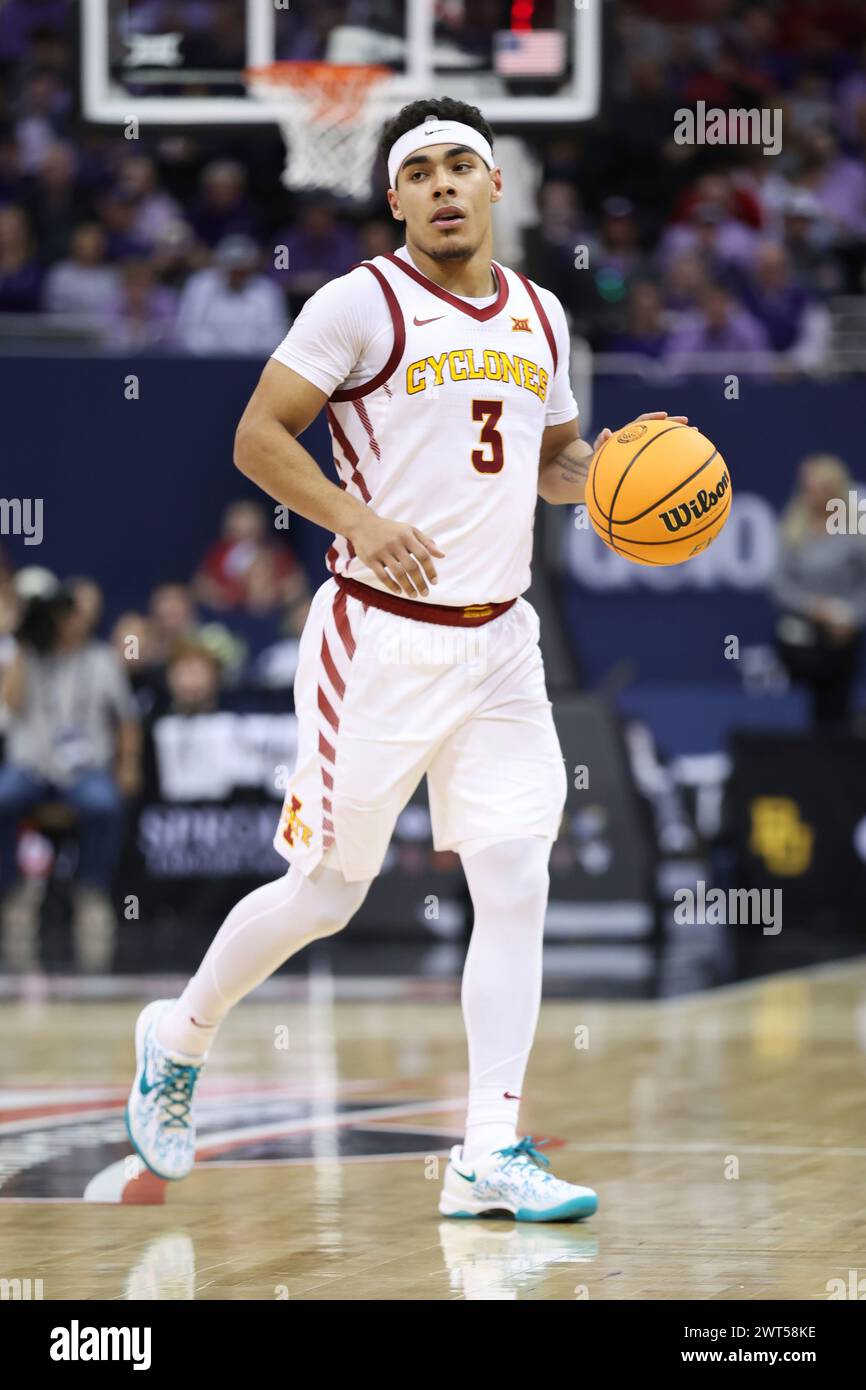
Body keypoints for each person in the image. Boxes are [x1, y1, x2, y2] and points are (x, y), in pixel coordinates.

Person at [126, 96, 686, 1221]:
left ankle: (486, 1146)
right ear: (394, 199)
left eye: (458, 167)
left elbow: (551, 459)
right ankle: (177, 1034)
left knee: (515, 882)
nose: (439, 184)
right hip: (376, 638)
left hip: (500, 644)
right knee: (328, 891)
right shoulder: (359, 302)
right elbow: (257, 435)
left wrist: (611, 481)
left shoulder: (539, 312)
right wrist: (356, 516)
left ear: (494, 188)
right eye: (417, 170)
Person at [0, 579, 142, 970]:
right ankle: (13, 890)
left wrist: (128, 764)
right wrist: (24, 642)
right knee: (3, 798)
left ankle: (91, 892)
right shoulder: (25, 656)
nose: (69, 623)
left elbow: (127, 719)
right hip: (30, 766)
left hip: (84, 768)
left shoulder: (101, 659)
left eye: (75, 614)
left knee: (105, 804)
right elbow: (9, 704)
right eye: (61, 615)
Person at [770, 454, 866, 729]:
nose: (814, 495)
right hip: (801, 630)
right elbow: (779, 584)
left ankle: (835, 738)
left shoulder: (856, 529)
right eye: (808, 487)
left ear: (836, 488)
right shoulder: (791, 527)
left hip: (845, 633)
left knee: (835, 696)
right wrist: (816, 609)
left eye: (822, 487)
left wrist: (849, 616)